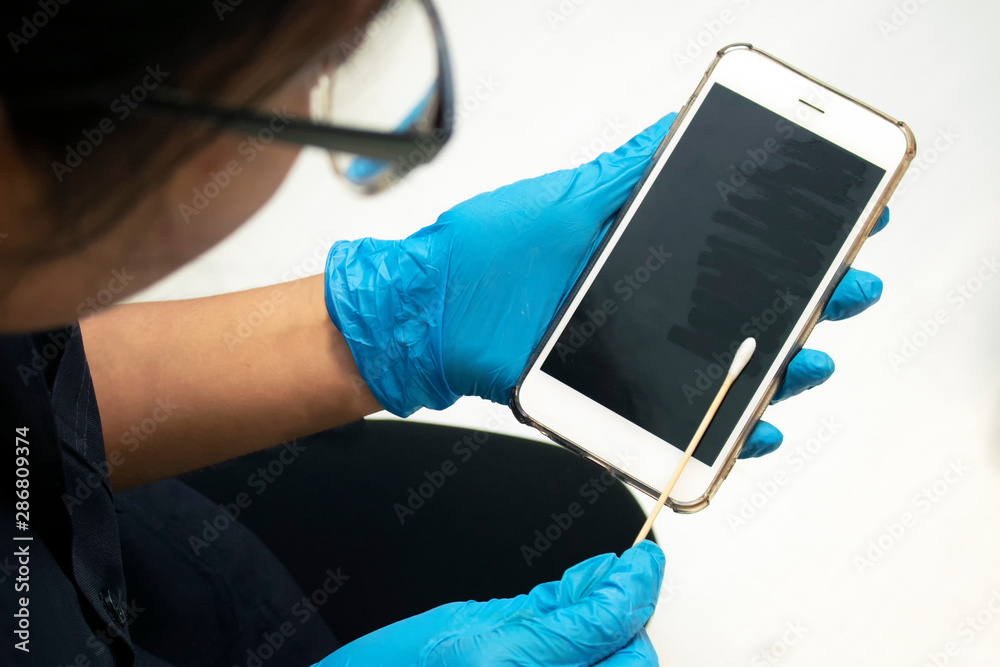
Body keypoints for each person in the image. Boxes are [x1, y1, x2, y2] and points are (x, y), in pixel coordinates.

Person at [0, 1, 889, 664]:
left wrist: (392, 319)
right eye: (318, 68)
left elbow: (20, 399)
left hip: (103, 551)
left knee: (548, 517)